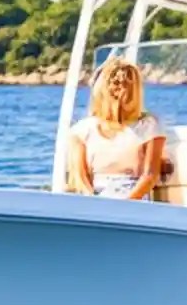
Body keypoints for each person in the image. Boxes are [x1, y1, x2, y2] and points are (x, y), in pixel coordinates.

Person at [67, 57, 167, 200]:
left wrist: (127, 203)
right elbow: (80, 175)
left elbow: (150, 175)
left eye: (127, 86)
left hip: (133, 195)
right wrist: (92, 200)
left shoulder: (148, 126)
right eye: (115, 85)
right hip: (95, 195)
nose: (120, 92)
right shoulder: (82, 130)